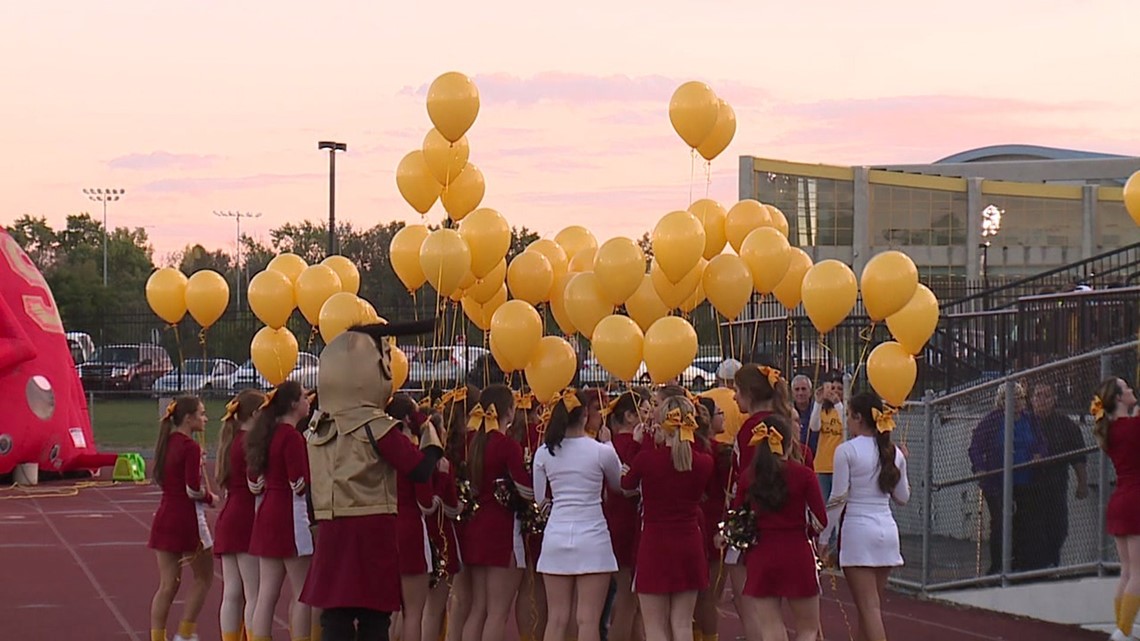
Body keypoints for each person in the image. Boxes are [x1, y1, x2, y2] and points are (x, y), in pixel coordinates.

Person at [300, 320, 445, 641]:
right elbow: (421, 470)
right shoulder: (375, 426)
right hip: (373, 530)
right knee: (374, 620)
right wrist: (426, 430)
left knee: (334, 618)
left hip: (332, 530)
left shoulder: (316, 427)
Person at [534, 388, 625, 641]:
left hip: (556, 534)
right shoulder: (601, 450)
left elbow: (540, 498)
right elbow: (618, 485)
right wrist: (609, 444)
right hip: (593, 536)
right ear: (585, 415)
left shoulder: (544, 452)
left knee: (557, 619)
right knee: (588, 620)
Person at [623, 395, 714, 641]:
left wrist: (637, 443)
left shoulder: (647, 459)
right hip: (689, 544)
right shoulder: (704, 462)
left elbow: (626, 484)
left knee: (655, 627)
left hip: (655, 544)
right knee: (683, 624)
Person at [820, 392, 909, 641]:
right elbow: (902, 498)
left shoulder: (846, 450)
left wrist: (824, 536)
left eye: (848, 415)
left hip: (859, 532)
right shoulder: (894, 453)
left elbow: (838, 498)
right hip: (887, 530)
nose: (847, 420)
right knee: (868, 607)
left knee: (869, 608)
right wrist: (903, 465)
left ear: (858, 417)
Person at [738, 413, 825, 641]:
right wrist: (809, 531)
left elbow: (737, 517)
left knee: (770, 628)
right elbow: (820, 519)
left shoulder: (748, 476)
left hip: (761, 554)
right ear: (788, 443)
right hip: (796, 551)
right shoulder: (804, 474)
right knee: (807, 628)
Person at [460, 384, 533, 641]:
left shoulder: (472, 441)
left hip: (475, 527)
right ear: (509, 412)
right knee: (498, 612)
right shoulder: (507, 445)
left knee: (478, 609)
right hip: (501, 531)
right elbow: (527, 489)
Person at [246, 381, 314, 641]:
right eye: (305, 397)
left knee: (266, 593)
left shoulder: (267, 433)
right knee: (302, 592)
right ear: (294, 404)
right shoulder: (292, 437)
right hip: (290, 514)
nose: (309, 402)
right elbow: (298, 484)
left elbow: (256, 480)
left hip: (268, 512)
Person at [148, 396, 215, 641]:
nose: (205, 418)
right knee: (204, 576)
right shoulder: (190, 447)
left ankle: (158, 636)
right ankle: (185, 633)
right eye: (201, 413)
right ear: (188, 418)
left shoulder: (167, 443)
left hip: (165, 517)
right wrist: (210, 498)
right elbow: (192, 489)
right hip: (187, 519)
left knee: (167, 585)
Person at [967, 382, 1046, 573]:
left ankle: (1020, 564)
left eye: (1020, 398)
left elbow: (1041, 443)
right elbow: (976, 446)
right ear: (1002, 401)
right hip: (997, 481)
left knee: (1023, 522)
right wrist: (980, 468)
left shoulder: (1030, 420)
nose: (1018, 402)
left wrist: (1038, 454)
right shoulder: (993, 420)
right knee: (1000, 522)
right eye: (1013, 398)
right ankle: (998, 566)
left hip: (1025, 479)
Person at [213, 389, 266, 641]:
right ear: (256, 414)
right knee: (255, 593)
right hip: (246, 519)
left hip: (230, 518)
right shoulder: (250, 442)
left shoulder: (232, 440)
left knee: (232, 592)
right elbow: (256, 482)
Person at [1091, 378, 1140, 641]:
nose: (1132, 390)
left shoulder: (1111, 431)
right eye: (1127, 388)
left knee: (1127, 571)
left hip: (1120, 500)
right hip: (1136, 500)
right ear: (1119, 398)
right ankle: (1124, 630)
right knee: (1139, 572)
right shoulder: (1133, 427)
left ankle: (1121, 628)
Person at [602, 389, 652, 641]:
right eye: (644, 411)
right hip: (626, 525)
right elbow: (625, 487)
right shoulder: (626, 447)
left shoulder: (608, 445)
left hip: (615, 522)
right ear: (631, 416)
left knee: (634, 602)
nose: (649, 416)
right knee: (627, 599)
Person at [1027, 382, 1089, 569]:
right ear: (1031, 400)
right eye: (1038, 396)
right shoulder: (1024, 423)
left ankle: (1052, 565)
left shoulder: (1066, 425)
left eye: (1046, 396)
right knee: (1031, 532)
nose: (1041, 400)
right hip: (1027, 488)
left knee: (1057, 529)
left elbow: (1078, 457)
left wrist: (1082, 483)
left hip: (1055, 485)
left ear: (1054, 400)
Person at [808, 373, 845, 504]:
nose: (835, 392)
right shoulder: (825, 411)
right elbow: (814, 427)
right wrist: (818, 403)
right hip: (822, 465)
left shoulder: (845, 410)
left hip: (839, 466)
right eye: (833, 388)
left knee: (838, 506)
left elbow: (846, 426)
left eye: (839, 389)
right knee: (824, 505)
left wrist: (838, 403)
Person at [700, 359, 745, 446]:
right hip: (730, 450)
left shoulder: (702, 397)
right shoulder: (742, 403)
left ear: (718, 377)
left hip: (707, 446)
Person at [790, 375, 816, 451]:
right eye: (797, 389)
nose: (800, 393)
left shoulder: (818, 410)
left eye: (804, 389)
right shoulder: (787, 412)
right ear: (792, 393)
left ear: (810, 392)